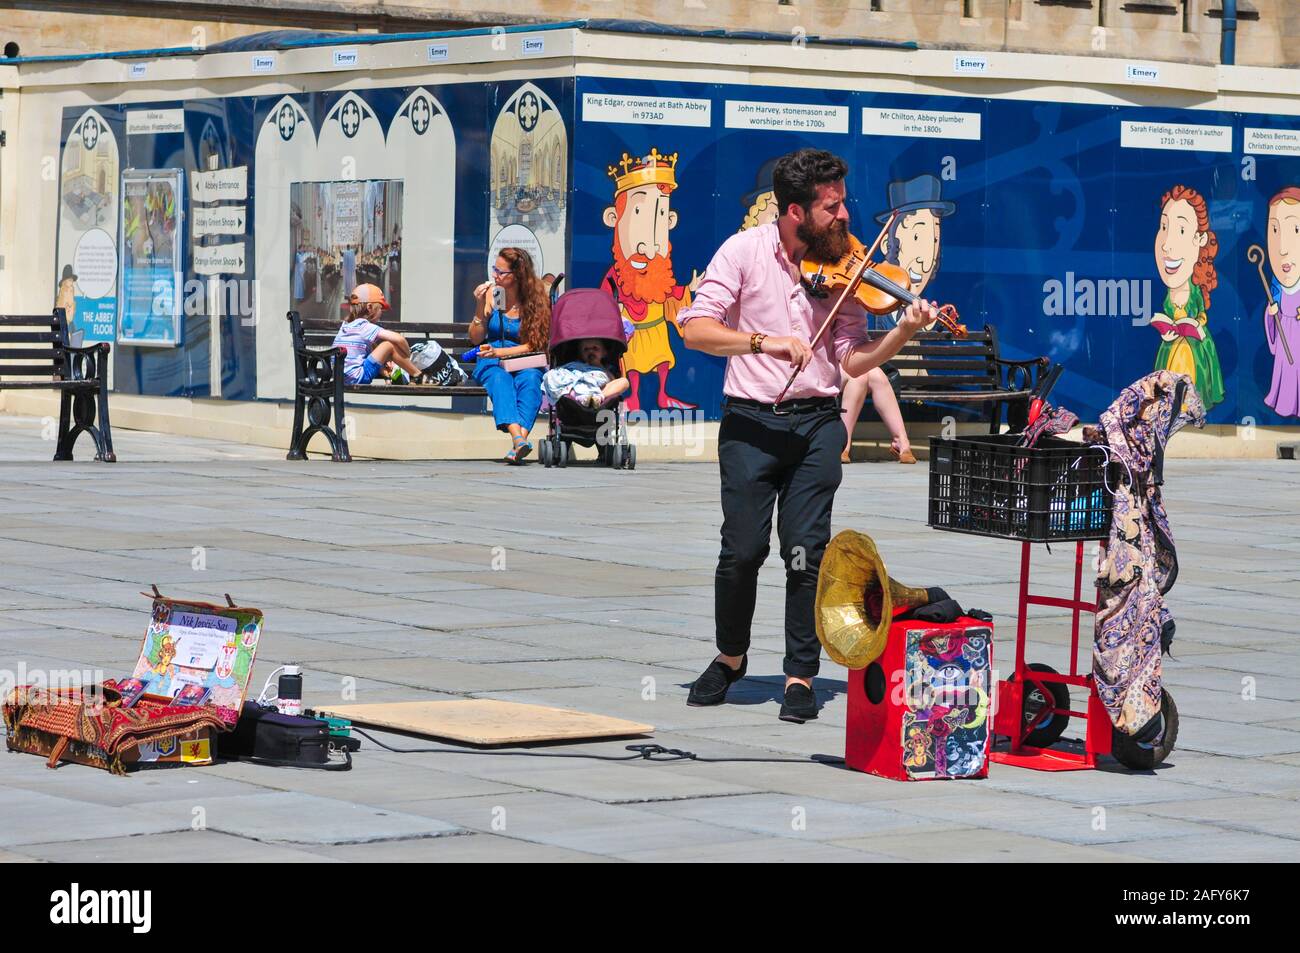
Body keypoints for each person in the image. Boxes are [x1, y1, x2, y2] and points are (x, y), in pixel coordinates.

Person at [677, 148, 938, 724]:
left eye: (843, 201)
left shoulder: (844, 263)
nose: (845, 215)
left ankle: (800, 675)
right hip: (750, 422)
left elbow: (851, 360)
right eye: (832, 206)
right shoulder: (743, 252)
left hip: (818, 423)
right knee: (741, 551)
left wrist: (902, 332)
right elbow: (695, 328)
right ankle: (730, 657)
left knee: (806, 552)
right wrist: (760, 341)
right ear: (795, 211)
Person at [469, 247, 551, 464]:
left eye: (501, 271)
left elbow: (536, 344)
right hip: (492, 360)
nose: (495, 275)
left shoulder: (535, 298)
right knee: (499, 379)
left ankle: (518, 444)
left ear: (518, 275)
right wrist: (479, 306)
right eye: (494, 269)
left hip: (524, 359)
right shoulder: (493, 294)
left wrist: (503, 352)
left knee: (532, 379)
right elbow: (476, 339)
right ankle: (519, 437)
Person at [332, 283, 421, 385]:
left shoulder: (346, 325)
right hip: (357, 378)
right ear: (369, 307)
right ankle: (417, 374)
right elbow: (399, 339)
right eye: (380, 309)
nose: (381, 313)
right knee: (388, 345)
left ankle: (388, 374)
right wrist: (407, 358)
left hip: (339, 378)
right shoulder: (365, 327)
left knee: (374, 346)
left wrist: (386, 361)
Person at [541, 338, 630, 408]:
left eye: (595, 348)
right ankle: (577, 395)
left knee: (624, 381)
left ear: (604, 353)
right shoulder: (576, 366)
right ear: (580, 353)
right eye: (586, 349)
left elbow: (611, 381)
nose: (591, 351)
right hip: (576, 391)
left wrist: (598, 365)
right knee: (553, 375)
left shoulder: (606, 368)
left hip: (599, 392)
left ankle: (597, 397)